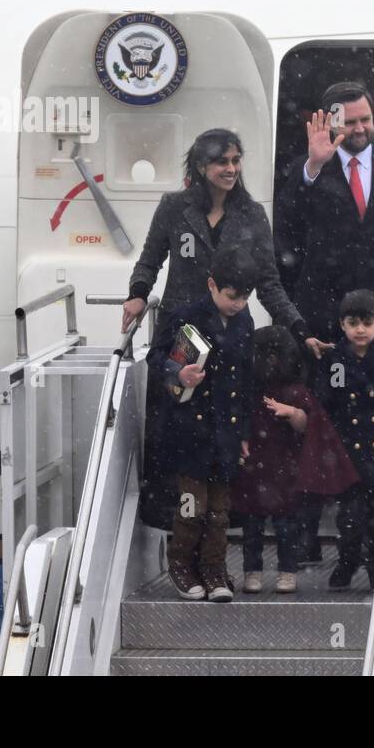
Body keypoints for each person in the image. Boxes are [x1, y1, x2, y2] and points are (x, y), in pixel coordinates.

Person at [121, 128, 330, 529]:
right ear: (201, 166)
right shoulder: (173, 207)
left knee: (225, 426)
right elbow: (150, 260)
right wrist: (137, 294)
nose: (231, 169)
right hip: (182, 333)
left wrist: (299, 328)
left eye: (236, 160)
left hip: (231, 335)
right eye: (222, 161)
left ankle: (223, 527)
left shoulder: (252, 214)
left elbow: (269, 283)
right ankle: (173, 526)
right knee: (176, 428)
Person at [275, 81, 374, 345]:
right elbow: (287, 225)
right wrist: (313, 166)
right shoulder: (307, 168)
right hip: (325, 315)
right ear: (330, 122)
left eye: (366, 119)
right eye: (351, 122)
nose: (361, 128)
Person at [147, 247, 257, 602]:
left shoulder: (244, 322)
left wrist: (243, 432)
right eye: (232, 296)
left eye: (245, 297)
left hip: (225, 427)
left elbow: (245, 380)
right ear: (212, 285)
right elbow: (155, 356)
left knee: (220, 511)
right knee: (191, 505)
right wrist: (178, 372)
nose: (238, 304)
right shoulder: (185, 315)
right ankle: (181, 563)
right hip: (189, 430)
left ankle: (214, 568)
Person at [231, 325, 359, 595]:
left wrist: (292, 413)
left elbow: (309, 425)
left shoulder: (295, 392)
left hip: (279, 470)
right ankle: (252, 571)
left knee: (284, 528)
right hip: (260, 469)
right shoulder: (251, 390)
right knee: (253, 527)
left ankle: (285, 571)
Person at [317, 289, 374, 589]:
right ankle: (348, 559)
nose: (360, 329)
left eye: (367, 323)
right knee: (350, 516)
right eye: (353, 322)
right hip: (349, 449)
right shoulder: (335, 359)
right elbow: (326, 402)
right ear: (342, 325)